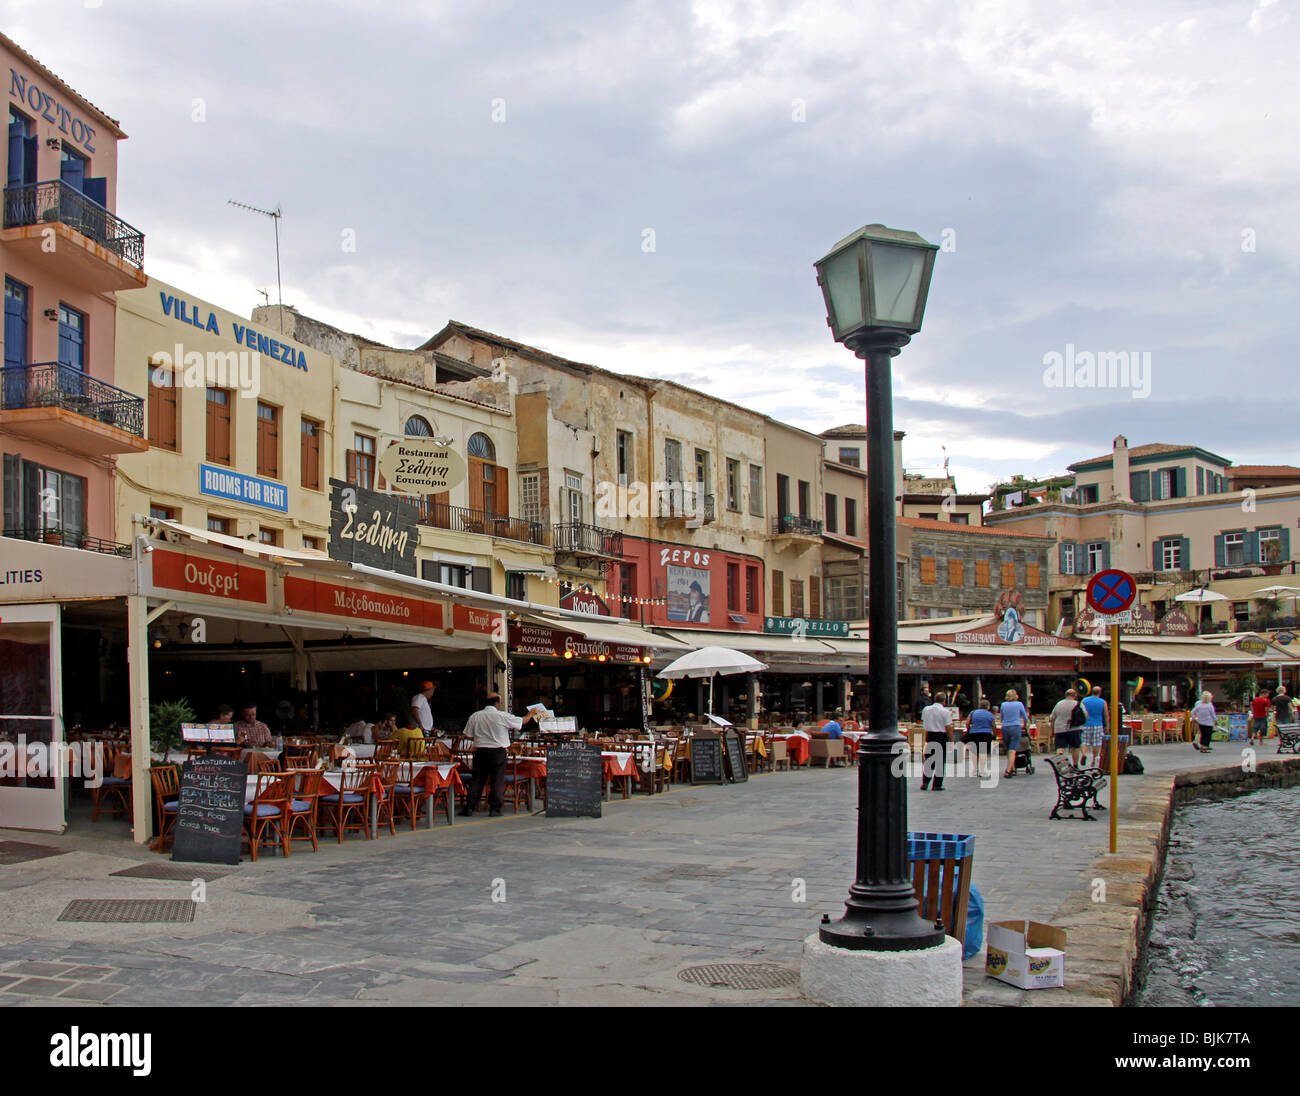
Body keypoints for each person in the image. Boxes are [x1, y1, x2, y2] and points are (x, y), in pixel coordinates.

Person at [462, 694, 536, 817]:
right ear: (497, 703)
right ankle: (495, 809)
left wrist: (481, 737)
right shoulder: (501, 716)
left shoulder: (475, 716)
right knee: (497, 780)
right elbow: (521, 722)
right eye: (500, 702)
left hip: (481, 750)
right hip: (497, 751)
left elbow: (468, 735)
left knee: (477, 779)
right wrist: (530, 715)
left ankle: (469, 807)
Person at [920, 692, 954, 791]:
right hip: (940, 736)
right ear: (944, 701)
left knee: (929, 760)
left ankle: (925, 782)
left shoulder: (926, 709)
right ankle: (937, 784)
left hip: (930, 735)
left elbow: (924, 721)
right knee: (939, 761)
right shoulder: (945, 712)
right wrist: (951, 740)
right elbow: (948, 727)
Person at [999, 689, 1030, 779]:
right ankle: (1009, 770)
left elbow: (1002, 718)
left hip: (1005, 727)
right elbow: (1025, 718)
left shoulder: (1003, 705)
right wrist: (1024, 726)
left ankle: (1013, 768)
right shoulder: (1019, 704)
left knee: (1008, 749)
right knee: (1013, 749)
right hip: (1015, 727)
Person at [1050, 689, 1084, 768]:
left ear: (1065, 695)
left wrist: (1053, 730)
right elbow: (1085, 715)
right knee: (1075, 747)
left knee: (1060, 747)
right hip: (1074, 728)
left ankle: (1060, 764)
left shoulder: (1059, 704)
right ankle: (1075, 765)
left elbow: (1052, 718)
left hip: (1059, 729)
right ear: (1075, 695)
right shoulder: (1078, 704)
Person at [966, 699, 996, 778]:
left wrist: (968, 729)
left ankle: (975, 771)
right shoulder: (990, 715)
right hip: (985, 734)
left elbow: (967, 722)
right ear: (988, 707)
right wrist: (994, 734)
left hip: (974, 733)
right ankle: (982, 771)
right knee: (983, 752)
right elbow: (993, 725)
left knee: (974, 752)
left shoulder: (973, 713)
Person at [1080, 686, 1109, 768]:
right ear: (1100, 693)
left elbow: (1080, 712)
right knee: (1097, 743)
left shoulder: (1084, 700)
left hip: (1086, 724)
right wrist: (1107, 726)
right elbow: (1106, 715)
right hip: (1098, 724)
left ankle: (1084, 754)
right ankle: (1094, 759)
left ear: (1091, 692)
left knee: (1085, 741)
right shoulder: (1102, 702)